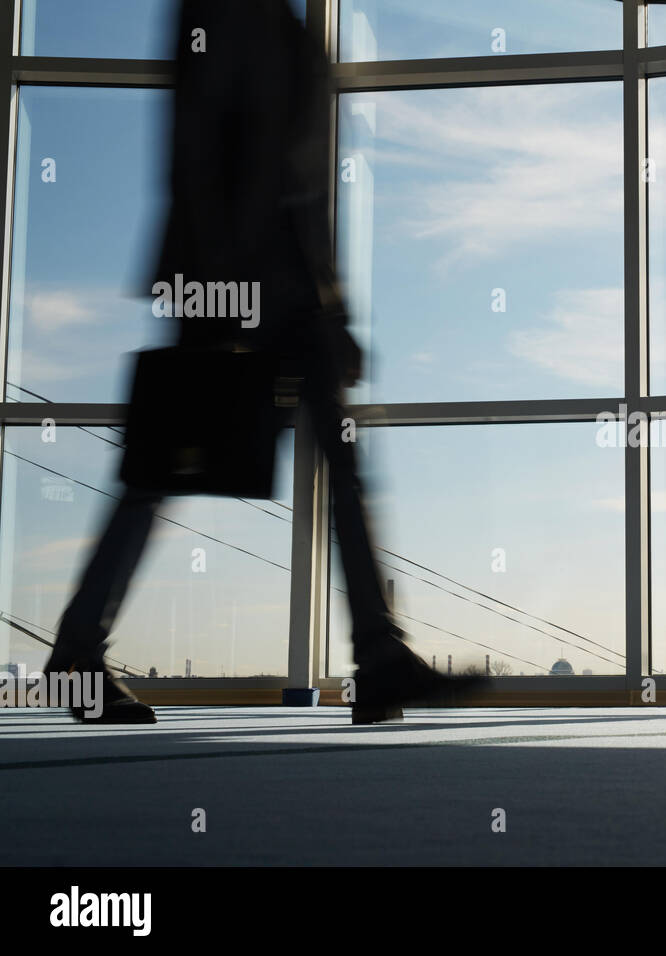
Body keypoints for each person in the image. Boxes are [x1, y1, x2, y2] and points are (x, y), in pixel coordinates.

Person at [44, 0, 479, 725]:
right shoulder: (233, 12)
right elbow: (206, 149)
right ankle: (375, 653)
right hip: (240, 278)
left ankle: (376, 652)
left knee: (184, 465)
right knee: (167, 464)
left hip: (280, 285)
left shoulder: (269, 21)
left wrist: (326, 304)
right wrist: (222, 281)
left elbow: (281, 173)